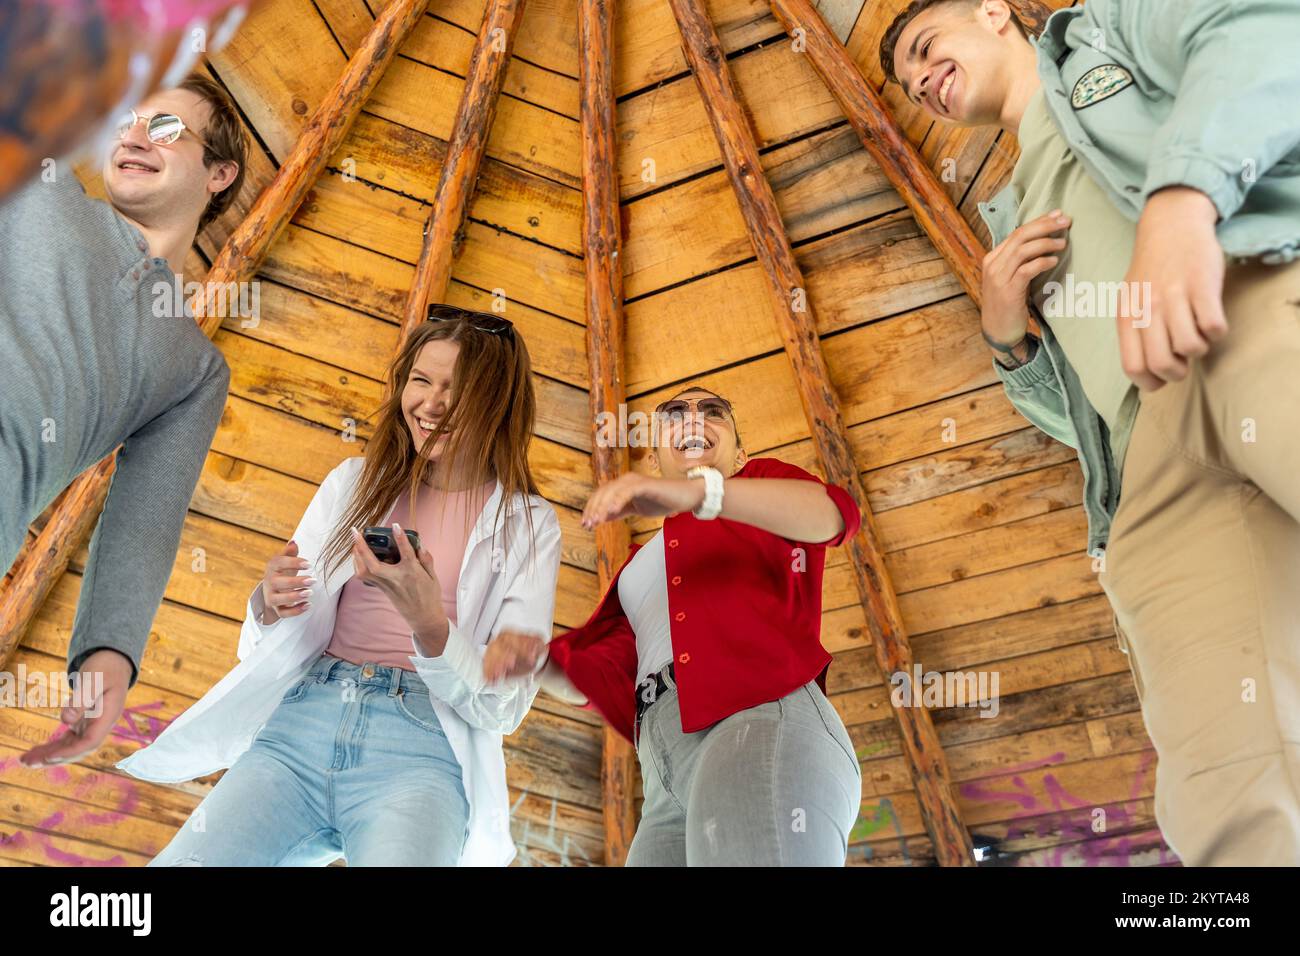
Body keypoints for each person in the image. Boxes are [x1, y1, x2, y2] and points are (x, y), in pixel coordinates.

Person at [882, 0, 1300, 864]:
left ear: (995, 12)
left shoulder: (1105, 31)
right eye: (909, 84)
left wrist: (1182, 205)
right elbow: (1071, 417)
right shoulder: (1006, 222)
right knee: (1226, 780)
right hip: (1151, 466)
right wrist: (1006, 333)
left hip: (1251, 306)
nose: (922, 80)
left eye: (926, 48)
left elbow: (1269, 34)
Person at [116, 309, 562, 866]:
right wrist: (270, 604)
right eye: (420, 381)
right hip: (299, 729)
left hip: (422, 755)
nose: (431, 404)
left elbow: (505, 708)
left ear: (498, 400)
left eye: (458, 388)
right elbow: (270, 647)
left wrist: (429, 623)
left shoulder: (528, 524)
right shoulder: (353, 482)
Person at [484, 386, 864, 866]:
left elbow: (834, 514)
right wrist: (534, 661)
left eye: (713, 412)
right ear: (655, 457)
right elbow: (601, 678)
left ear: (741, 453)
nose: (693, 418)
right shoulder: (638, 569)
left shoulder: (766, 483)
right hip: (663, 777)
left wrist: (700, 491)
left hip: (760, 724)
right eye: (674, 414)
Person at [5, 74, 246, 769]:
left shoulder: (194, 371)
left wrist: (107, 658)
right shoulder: (33, 189)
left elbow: (146, 521)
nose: (135, 136)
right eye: (128, 120)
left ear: (219, 173)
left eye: (167, 128)